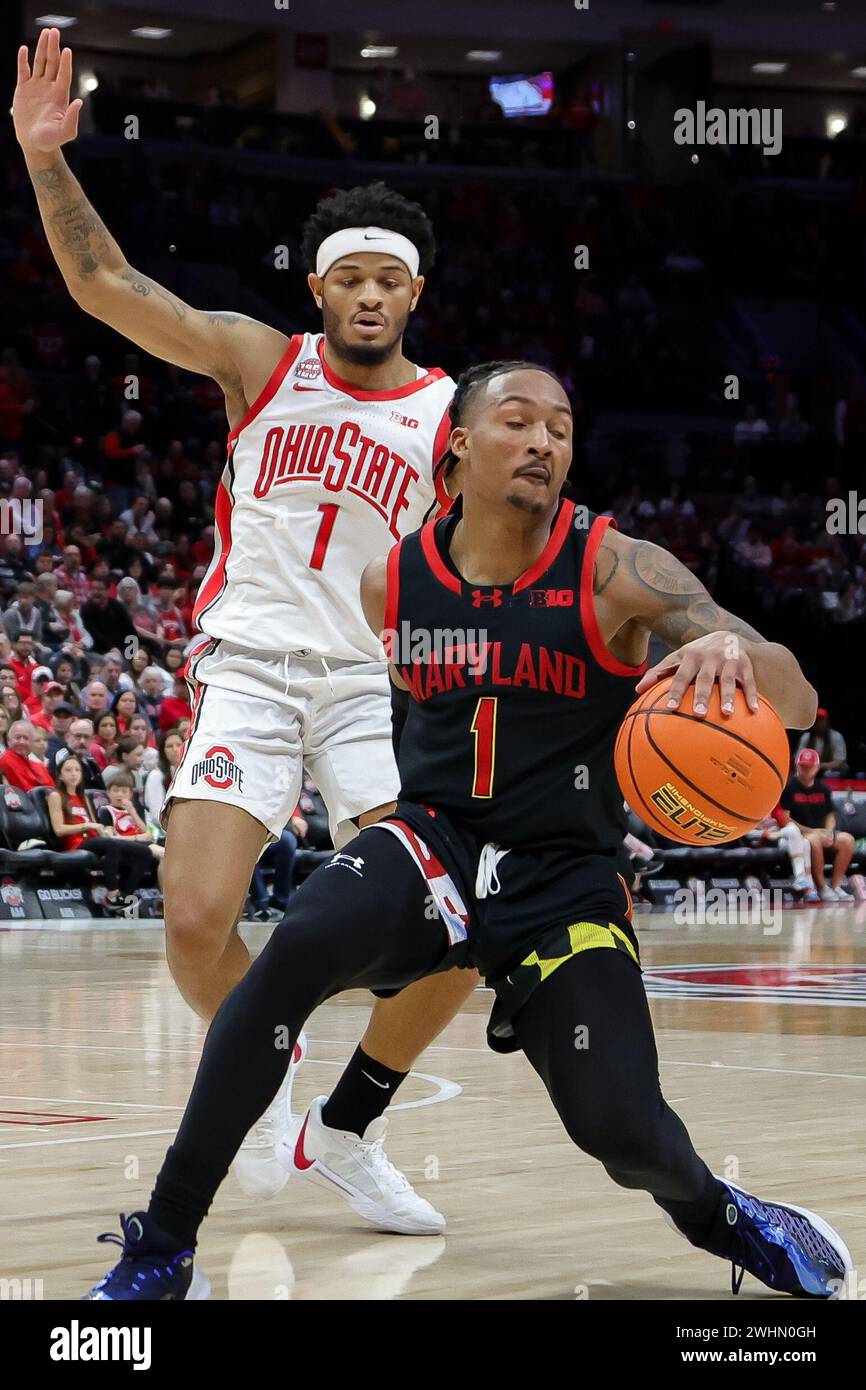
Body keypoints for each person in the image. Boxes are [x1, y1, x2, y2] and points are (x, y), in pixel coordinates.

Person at [81, 361, 850, 1302]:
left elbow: (801, 702)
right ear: (457, 445)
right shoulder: (390, 583)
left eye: (561, 429)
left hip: (565, 877)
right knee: (293, 955)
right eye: (518, 421)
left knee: (622, 1128)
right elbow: (423, 717)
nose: (543, 442)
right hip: (436, 847)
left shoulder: (619, 567)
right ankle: (162, 1246)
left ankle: (726, 1216)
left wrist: (738, 646)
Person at [16, 25, 467, 1229]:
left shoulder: (458, 421)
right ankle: (264, 1078)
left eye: (389, 279)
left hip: (379, 688)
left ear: (414, 293)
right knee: (193, 918)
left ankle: (349, 1129)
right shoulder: (260, 363)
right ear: (316, 286)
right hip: (255, 671)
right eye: (347, 277)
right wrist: (47, 158)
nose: (368, 294)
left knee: (458, 922)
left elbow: (542, 550)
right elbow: (110, 288)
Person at [47, 756, 154, 913]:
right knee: (110, 845)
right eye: (68, 770)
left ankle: (124, 896)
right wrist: (86, 825)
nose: (73, 774)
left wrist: (103, 831)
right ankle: (111, 895)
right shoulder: (56, 796)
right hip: (75, 843)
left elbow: (95, 827)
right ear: (60, 775)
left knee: (144, 852)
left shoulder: (83, 796)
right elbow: (58, 829)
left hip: (94, 840)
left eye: (77, 770)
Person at [779, 748, 855, 902]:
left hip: (821, 833)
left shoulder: (823, 789)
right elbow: (786, 820)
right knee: (813, 840)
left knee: (847, 840)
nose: (806, 770)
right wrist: (813, 832)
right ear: (797, 766)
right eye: (802, 766)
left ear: (817, 767)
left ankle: (836, 886)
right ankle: (821, 887)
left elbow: (830, 816)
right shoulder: (788, 788)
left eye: (809, 766)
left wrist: (828, 832)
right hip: (800, 835)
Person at [50, 716, 105, 789]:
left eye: (86, 737)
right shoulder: (62, 757)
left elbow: (102, 790)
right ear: (67, 737)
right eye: (78, 736)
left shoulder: (91, 763)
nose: (82, 741)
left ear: (92, 740)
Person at [0, 719, 54, 789]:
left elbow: (53, 790)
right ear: (9, 741)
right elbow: (26, 791)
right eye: (17, 737)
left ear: (32, 742)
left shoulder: (40, 767)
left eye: (26, 738)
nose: (21, 742)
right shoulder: (6, 760)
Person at [796, 707, 848, 778]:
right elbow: (798, 759)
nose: (818, 723)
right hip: (808, 771)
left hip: (830, 772)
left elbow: (839, 761)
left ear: (826, 721)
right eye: (816, 720)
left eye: (821, 720)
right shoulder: (806, 737)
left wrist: (820, 766)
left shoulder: (836, 737)